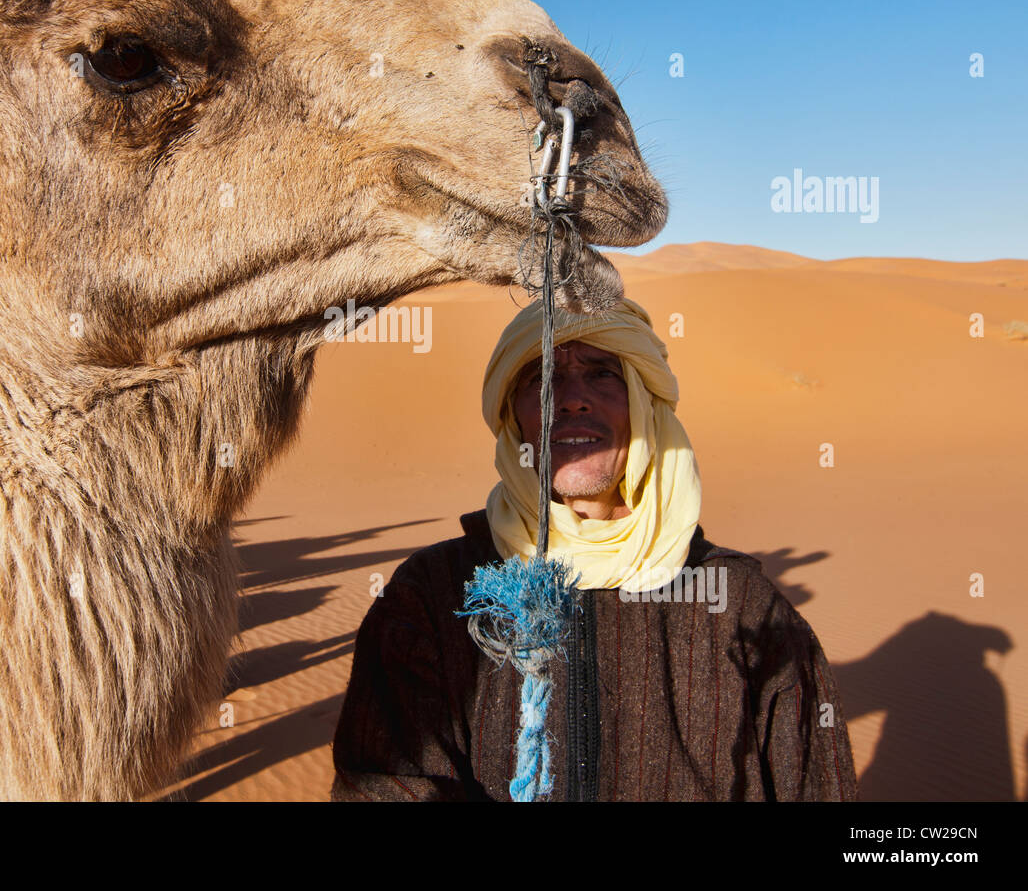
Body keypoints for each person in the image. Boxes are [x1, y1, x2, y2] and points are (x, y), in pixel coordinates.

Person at [330, 298, 857, 801]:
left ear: (645, 405)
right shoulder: (436, 594)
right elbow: (385, 783)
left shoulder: (739, 604)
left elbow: (814, 782)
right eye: (541, 377)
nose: (570, 398)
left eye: (603, 373)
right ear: (514, 416)